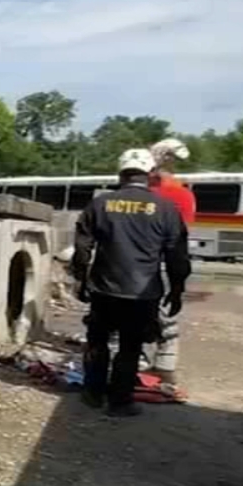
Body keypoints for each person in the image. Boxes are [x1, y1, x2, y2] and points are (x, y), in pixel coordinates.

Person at [71, 148, 192, 416]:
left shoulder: (100, 204)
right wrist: (177, 289)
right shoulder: (166, 209)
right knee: (130, 346)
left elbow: (82, 249)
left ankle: (92, 393)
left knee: (97, 340)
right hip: (143, 293)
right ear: (150, 174)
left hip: (104, 288)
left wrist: (81, 280)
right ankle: (120, 401)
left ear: (120, 173)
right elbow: (177, 256)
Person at [147, 138, 196, 397]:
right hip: (166, 266)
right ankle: (164, 368)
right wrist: (179, 285)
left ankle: (136, 369)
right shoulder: (184, 195)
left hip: (135, 266)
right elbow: (180, 240)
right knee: (167, 323)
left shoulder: (139, 191)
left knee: (132, 321)